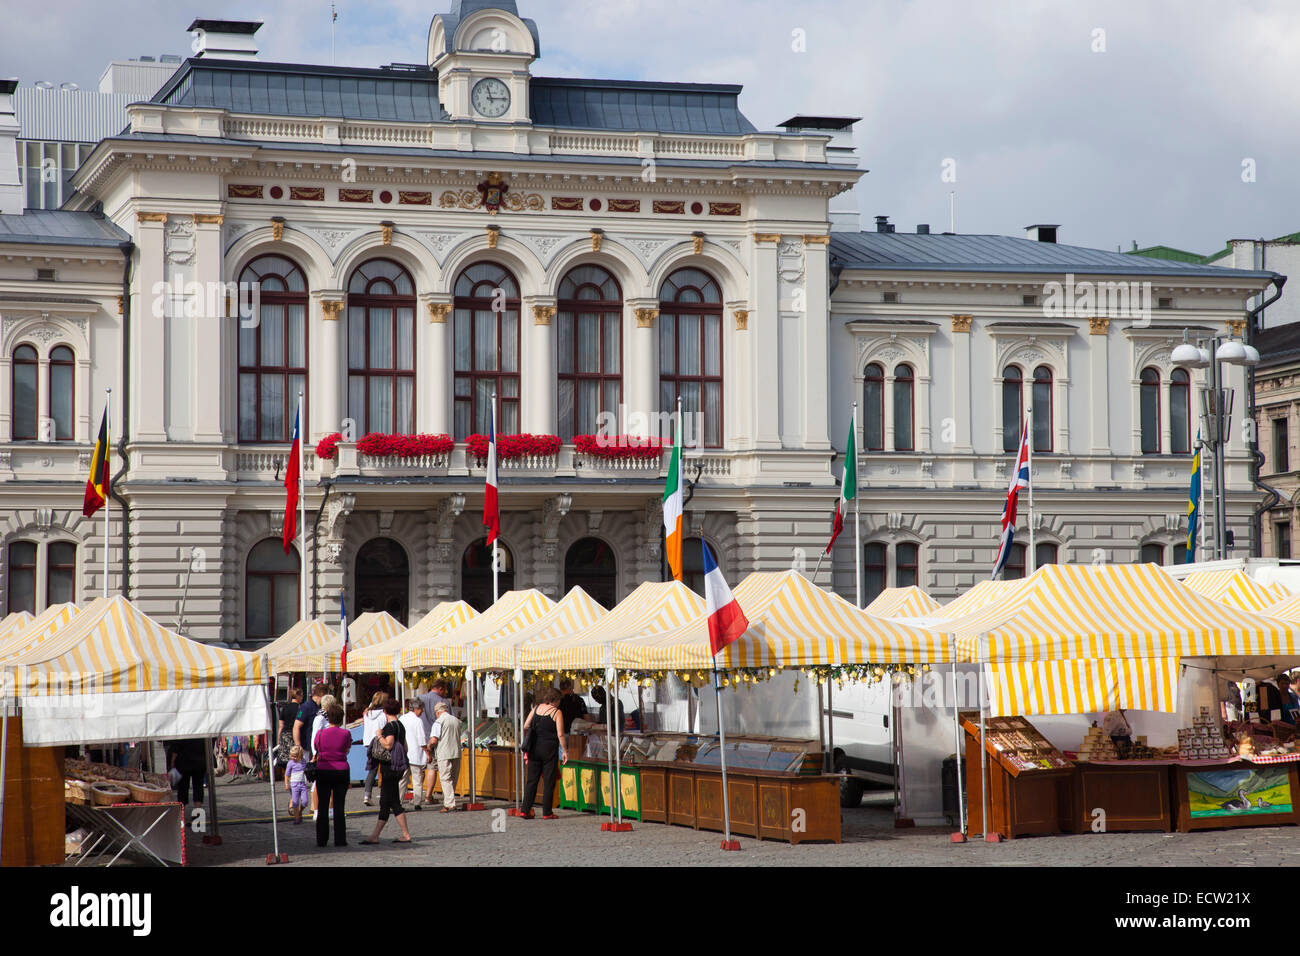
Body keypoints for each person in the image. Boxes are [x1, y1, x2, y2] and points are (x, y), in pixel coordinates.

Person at [361, 698, 412, 844]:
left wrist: (379, 735)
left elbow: (388, 744)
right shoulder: (400, 726)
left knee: (391, 802)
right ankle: (376, 835)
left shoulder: (389, 727)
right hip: (397, 767)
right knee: (388, 801)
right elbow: (405, 747)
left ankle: (403, 834)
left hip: (389, 767)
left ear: (385, 711)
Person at [520, 688, 567, 820]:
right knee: (549, 780)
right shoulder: (557, 712)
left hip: (534, 748)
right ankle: (547, 812)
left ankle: (525, 810)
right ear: (556, 700)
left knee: (532, 780)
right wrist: (564, 750)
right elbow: (560, 734)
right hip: (549, 749)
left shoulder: (536, 708)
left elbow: (525, 725)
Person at [312, 703, 351, 848]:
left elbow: (316, 747)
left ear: (328, 718)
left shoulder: (320, 734)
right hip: (341, 769)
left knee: (322, 805)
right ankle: (340, 839)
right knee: (339, 805)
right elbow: (347, 749)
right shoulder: (346, 734)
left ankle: (321, 839)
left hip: (323, 769)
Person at [428, 701, 463, 812]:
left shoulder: (439, 722)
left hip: (444, 753)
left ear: (438, 712)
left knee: (445, 778)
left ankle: (449, 804)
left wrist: (429, 746)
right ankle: (449, 801)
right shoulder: (456, 720)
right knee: (453, 778)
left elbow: (434, 740)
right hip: (456, 752)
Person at [399, 699, 429, 810]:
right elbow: (422, 739)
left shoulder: (402, 718)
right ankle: (417, 802)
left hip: (404, 753)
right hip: (416, 753)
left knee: (402, 779)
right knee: (417, 779)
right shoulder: (418, 721)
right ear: (416, 708)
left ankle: (399, 801)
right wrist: (427, 752)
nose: (422, 711)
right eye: (421, 709)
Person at [361, 691, 389, 806]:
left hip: (369, 743)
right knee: (385, 769)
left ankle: (367, 795)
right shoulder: (383, 715)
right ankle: (385, 795)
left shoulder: (367, 713)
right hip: (379, 742)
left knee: (372, 769)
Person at [166, 738, 209, 810]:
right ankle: (198, 811)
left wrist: (172, 762)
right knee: (198, 787)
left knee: (183, 788)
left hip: (184, 763)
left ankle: (183, 811)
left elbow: (176, 747)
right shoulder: (201, 732)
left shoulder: (183, 732)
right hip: (199, 762)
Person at [294, 683, 325, 759]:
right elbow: (296, 726)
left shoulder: (319, 707)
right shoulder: (305, 707)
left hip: (315, 748)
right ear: (321, 694)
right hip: (306, 748)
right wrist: (298, 746)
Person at [284, 745, 310, 824]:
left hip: (302, 784)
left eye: (295, 756)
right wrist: (286, 784)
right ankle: (297, 818)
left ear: (300, 755)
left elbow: (306, 769)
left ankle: (299, 811)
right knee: (295, 802)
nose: (293, 758)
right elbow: (287, 775)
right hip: (294, 785)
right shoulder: (290, 763)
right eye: (292, 756)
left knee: (305, 801)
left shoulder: (303, 761)